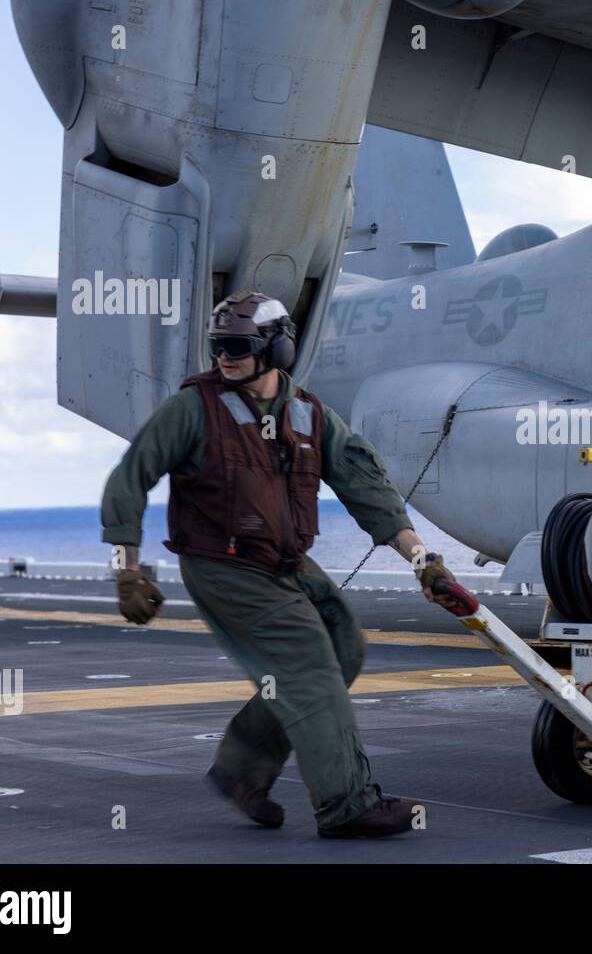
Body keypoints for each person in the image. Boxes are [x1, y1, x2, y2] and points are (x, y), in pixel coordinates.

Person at [100, 289, 470, 837]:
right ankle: (347, 805)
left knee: (344, 645)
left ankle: (241, 769)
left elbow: (368, 490)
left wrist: (423, 561)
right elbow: (128, 480)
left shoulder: (308, 413)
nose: (224, 357)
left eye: (238, 347)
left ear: (276, 349)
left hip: (286, 561)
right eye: (218, 347)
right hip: (222, 565)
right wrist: (126, 569)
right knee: (309, 667)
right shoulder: (193, 409)